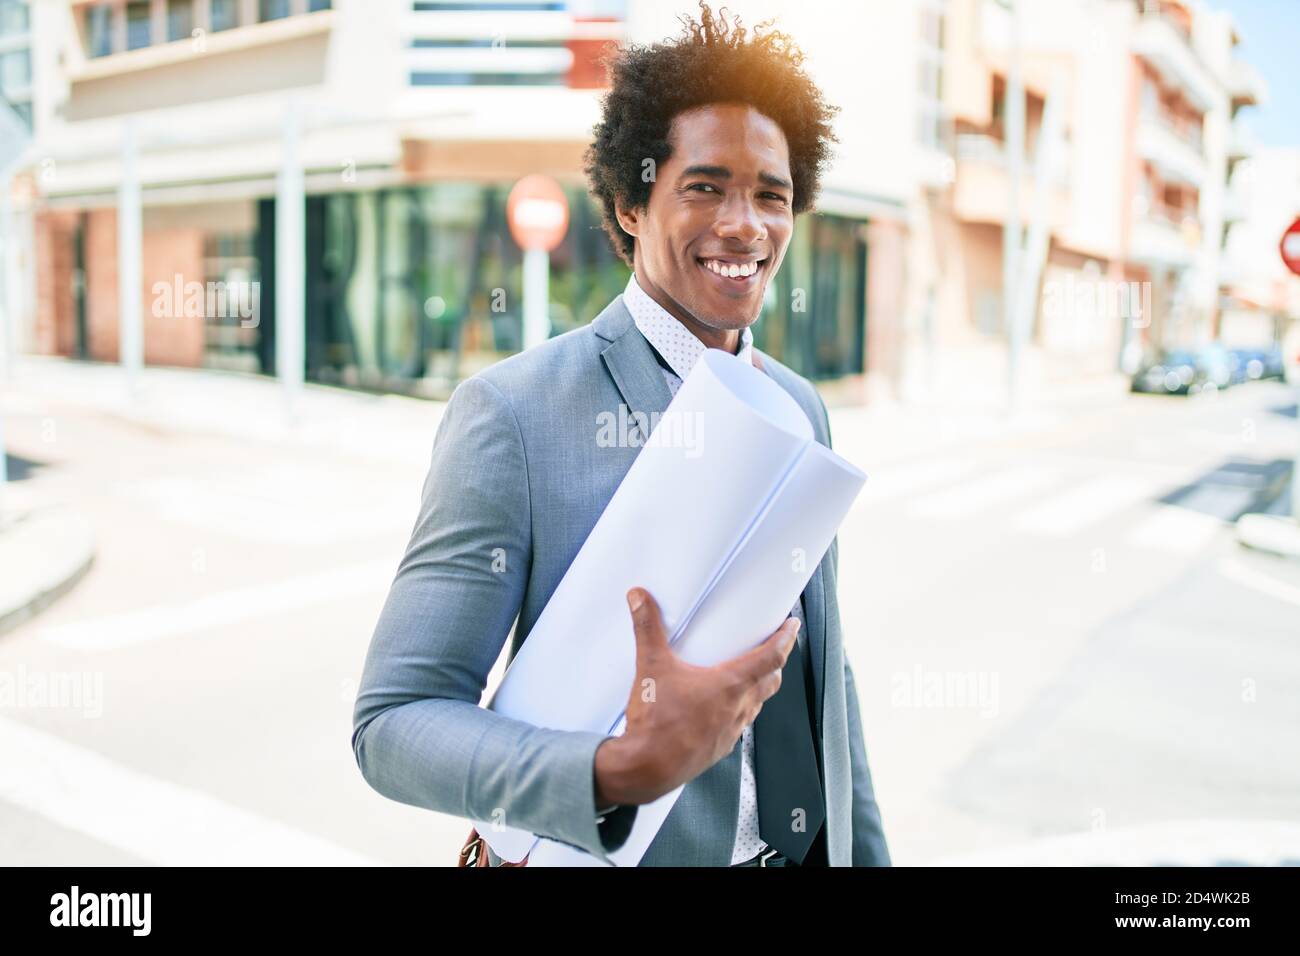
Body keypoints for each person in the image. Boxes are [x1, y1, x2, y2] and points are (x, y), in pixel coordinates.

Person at [351, 1, 889, 867]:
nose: (745, 226)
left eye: (772, 196)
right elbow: (394, 723)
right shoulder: (516, 414)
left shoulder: (800, 407)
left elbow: (831, 688)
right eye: (705, 186)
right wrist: (607, 772)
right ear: (631, 204)